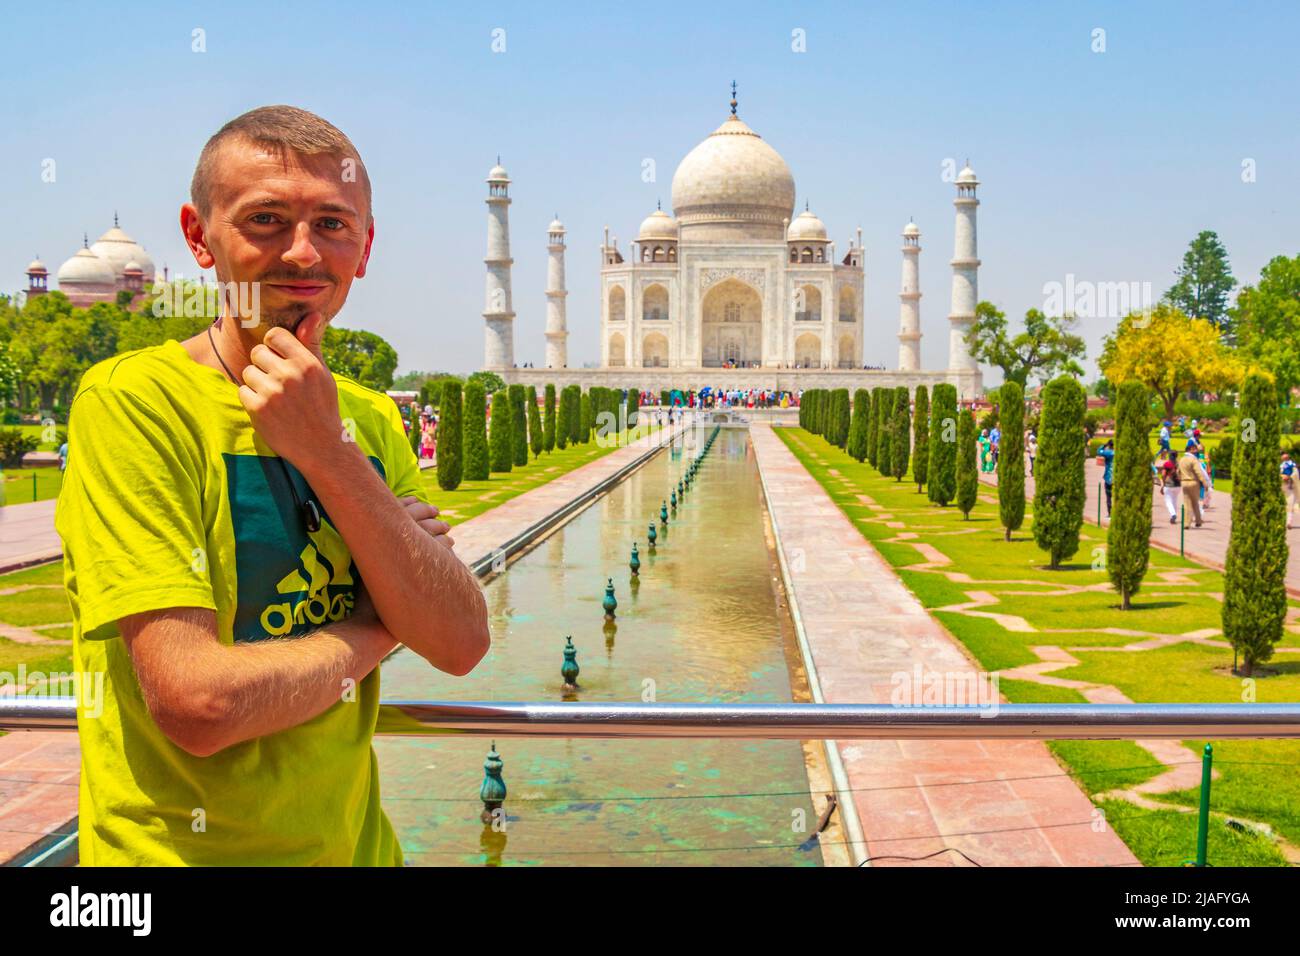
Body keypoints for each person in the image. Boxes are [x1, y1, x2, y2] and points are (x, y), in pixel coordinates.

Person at [54, 105, 490, 866]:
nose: (302, 253)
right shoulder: (134, 404)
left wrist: (329, 453)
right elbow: (201, 704)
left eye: (331, 223)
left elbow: (459, 642)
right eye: (265, 219)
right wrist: (379, 625)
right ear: (199, 237)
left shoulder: (366, 418)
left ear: (365, 246)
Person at [1177, 442, 1206, 528]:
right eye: (1194, 449)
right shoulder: (1193, 460)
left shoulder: (1181, 459)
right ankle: (1197, 520)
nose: (1196, 450)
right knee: (1195, 502)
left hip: (1184, 482)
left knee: (1187, 503)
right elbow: (1198, 472)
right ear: (1190, 450)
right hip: (1193, 482)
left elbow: (1178, 472)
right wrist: (1204, 482)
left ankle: (1187, 522)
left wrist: (1181, 478)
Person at [1159, 449, 1181, 524]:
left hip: (1169, 485)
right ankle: (1173, 516)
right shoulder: (1179, 463)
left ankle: (1173, 514)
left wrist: (1163, 485)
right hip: (1178, 485)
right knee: (1174, 500)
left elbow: (1163, 475)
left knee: (1168, 501)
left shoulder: (1167, 464)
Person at [1097, 439, 1115, 516]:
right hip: (1116, 477)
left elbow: (1099, 451)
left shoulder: (1107, 453)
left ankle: (1110, 513)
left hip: (1108, 477)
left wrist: (1104, 445)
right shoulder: (1118, 452)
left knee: (1108, 497)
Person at [1283, 453, 1300, 529]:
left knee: (1291, 504)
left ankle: (1289, 522)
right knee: (1287, 506)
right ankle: (1286, 522)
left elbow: (1295, 474)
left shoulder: (1292, 465)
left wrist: (1289, 477)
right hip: (1284, 487)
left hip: (1292, 487)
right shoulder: (1280, 466)